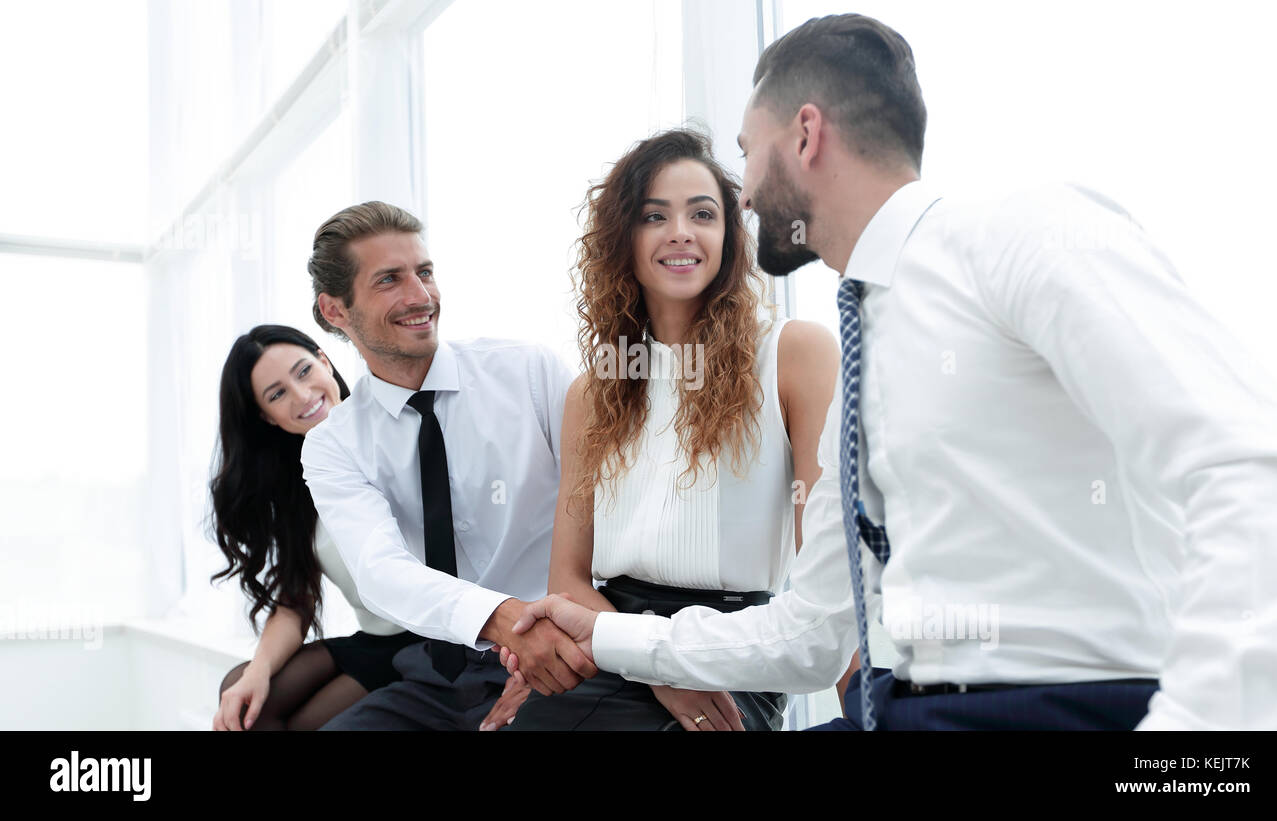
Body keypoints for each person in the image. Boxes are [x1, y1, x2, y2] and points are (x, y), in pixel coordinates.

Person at [510, 13, 1277, 730]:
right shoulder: (868, 345)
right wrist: (612, 634)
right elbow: (814, 631)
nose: (743, 194)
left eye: (747, 157)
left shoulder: (1020, 237)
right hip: (908, 706)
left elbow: (1258, 466)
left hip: (1084, 705)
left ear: (806, 135)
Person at [503, 129, 840, 731]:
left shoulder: (795, 353)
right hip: (605, 641)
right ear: (622, 241)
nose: (681, 231)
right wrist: (655, 670)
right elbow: (569, 580)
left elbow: (832, 578)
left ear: (729, 237)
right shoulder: (594, 389)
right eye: (654, 215)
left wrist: (866, 709)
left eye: (702, 214)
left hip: (733, 652)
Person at [299, 201, 599, 731]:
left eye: (426, 272)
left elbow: (607, 512)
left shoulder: (529, 373)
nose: (420, 297)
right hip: (441, 667)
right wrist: (505, 622)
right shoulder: (334, 444)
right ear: (336, 311)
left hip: (564, 648)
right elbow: (381, 571)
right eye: (389, 280)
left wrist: (539, 642)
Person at [210, 324, 424, 730]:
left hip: (434, 633)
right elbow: (296, 599)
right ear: (265, 416)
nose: (302, 395)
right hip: (378, 639)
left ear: (325, 361)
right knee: (242, 693)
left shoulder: (397, 429)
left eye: (304, 371)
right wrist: (258, 669)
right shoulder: (294, 487)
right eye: (277, 394)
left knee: (307, 725)